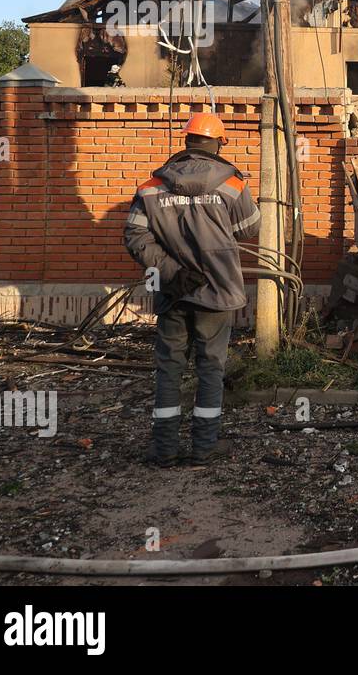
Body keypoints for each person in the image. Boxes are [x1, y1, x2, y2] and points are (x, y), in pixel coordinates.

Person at [123, 113, 260, 467]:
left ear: (186, 142)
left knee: (169, 368)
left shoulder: (152, 187)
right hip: (218, 292)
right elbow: (249, 228)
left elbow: (135, 236)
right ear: (217, 144)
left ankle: (164, 450)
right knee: (210, 367)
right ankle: (203, 447)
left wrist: (171, 271)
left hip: (172, 293)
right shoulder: (232, 185)